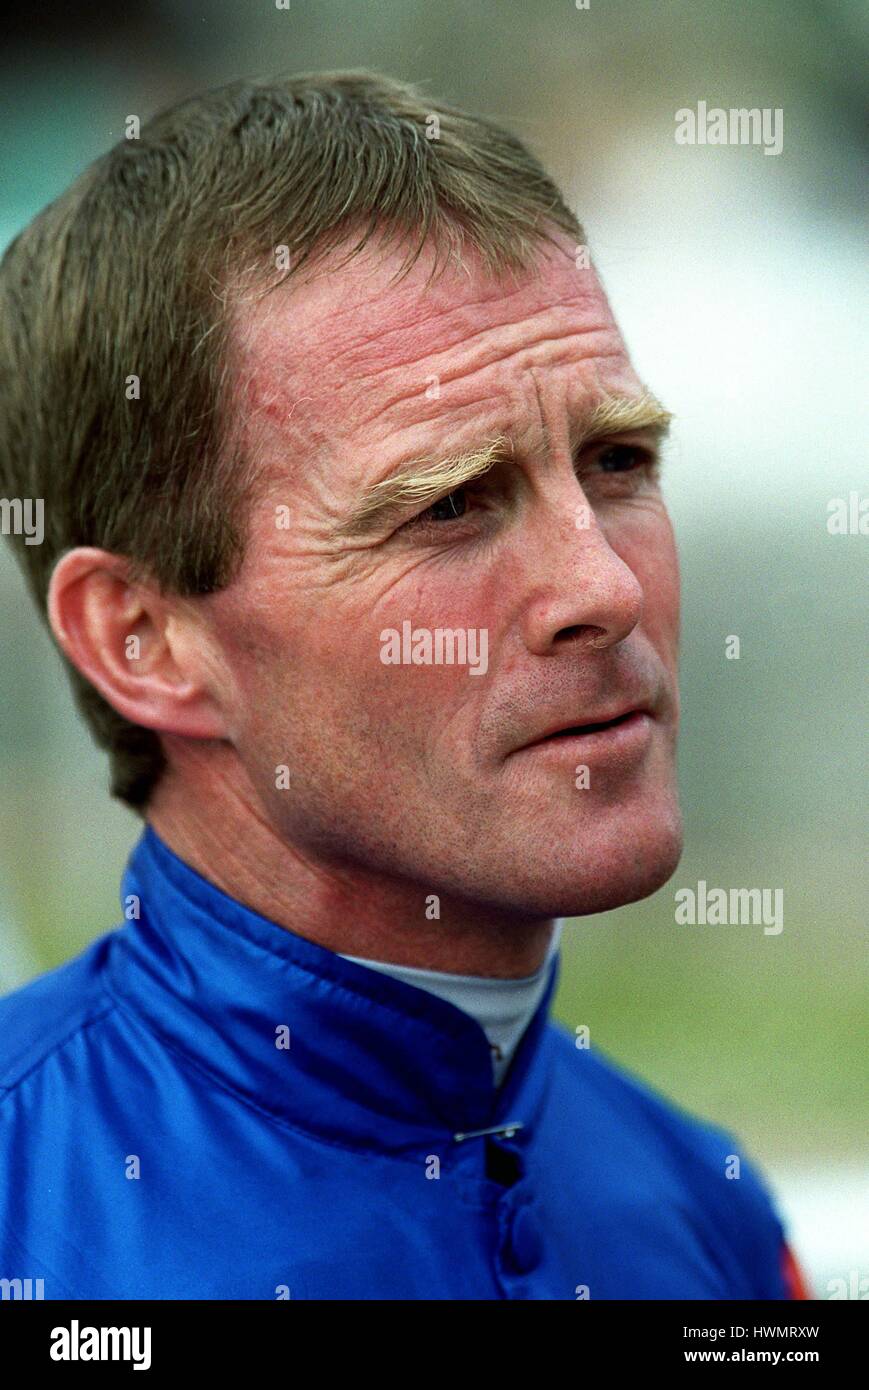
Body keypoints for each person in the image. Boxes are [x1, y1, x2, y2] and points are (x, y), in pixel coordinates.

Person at [0, 72, 810, 1300]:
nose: (602, 586)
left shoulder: (709, 1209)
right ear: (144, 639)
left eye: (617, 460)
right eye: (447, 505)